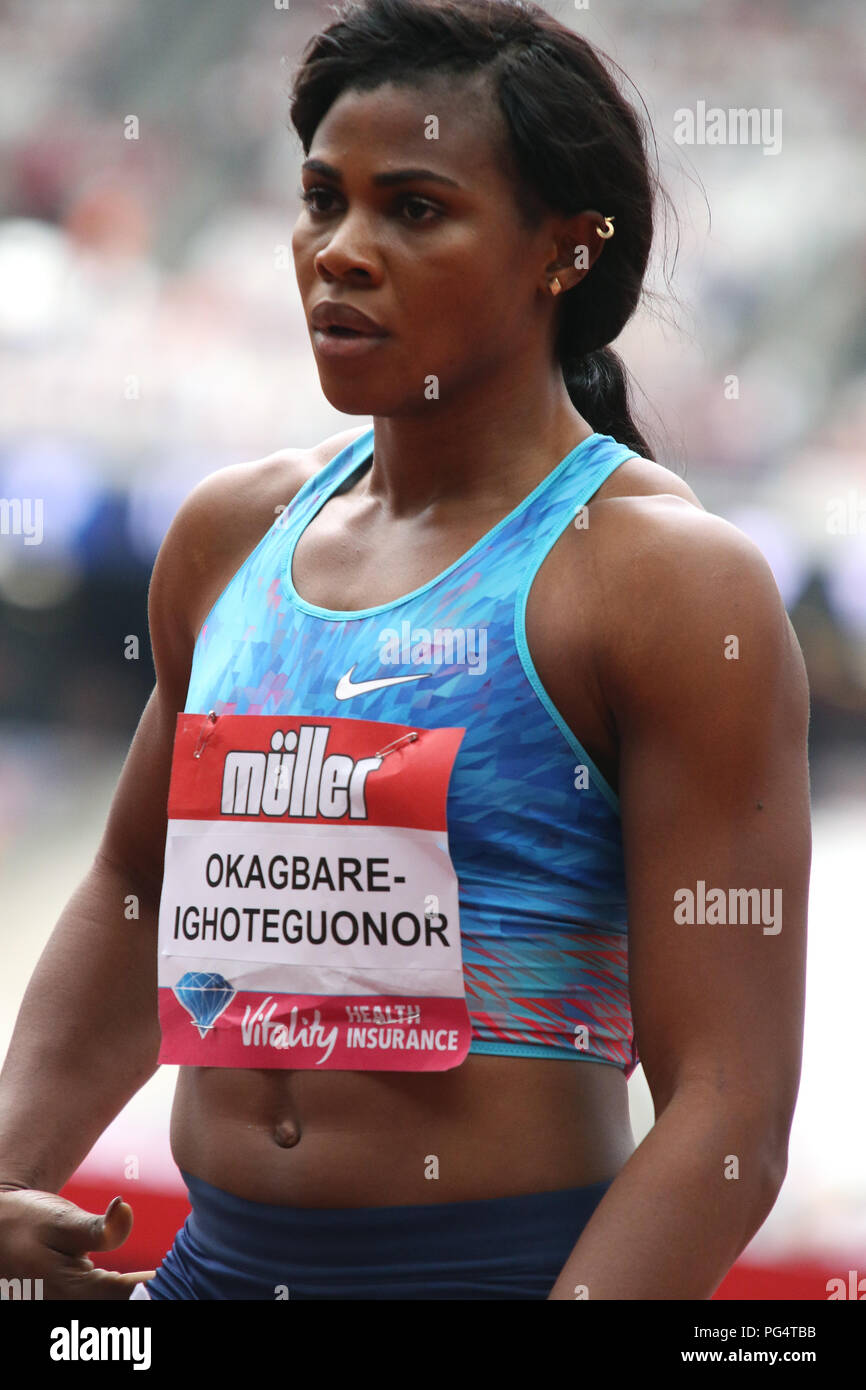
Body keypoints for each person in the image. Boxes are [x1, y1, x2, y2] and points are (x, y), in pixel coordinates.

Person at [0, 0, 810, 1301]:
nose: (340, 253)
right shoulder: (227, 538)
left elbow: (730, 1109)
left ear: (563, 250)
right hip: (201, 1277)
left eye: (413, 209)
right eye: (322, 199)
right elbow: (131, 889)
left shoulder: (660, 582)